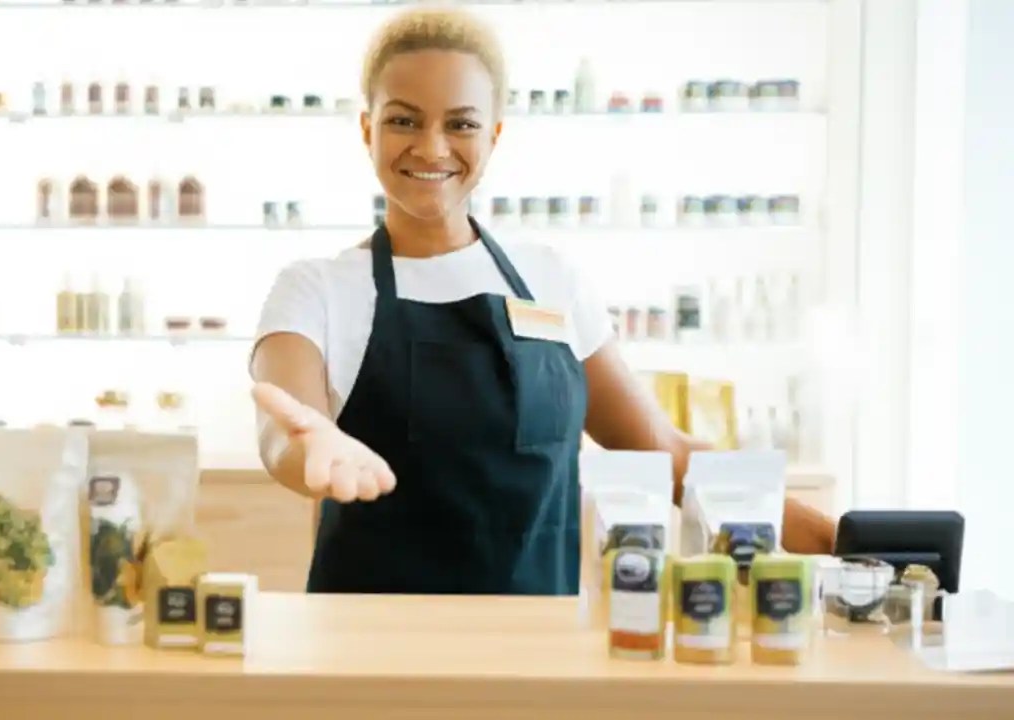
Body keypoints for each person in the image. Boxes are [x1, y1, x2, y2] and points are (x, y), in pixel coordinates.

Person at [249, 6, 835, 595]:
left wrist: (836, 537)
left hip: (541, 652)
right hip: (373, 656)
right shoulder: (317, 288)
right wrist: (309, 446)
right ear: (367, 129)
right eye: (404, 121)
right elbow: (285, 428)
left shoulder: (553, 281)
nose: (431, 147)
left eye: (461, 124)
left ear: (494, 135)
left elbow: (669, 454)